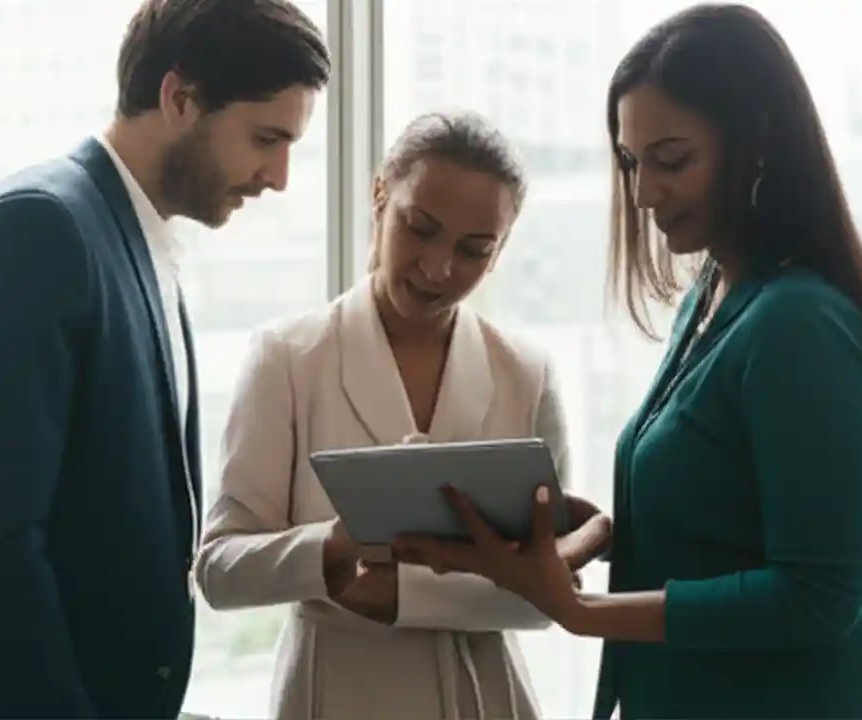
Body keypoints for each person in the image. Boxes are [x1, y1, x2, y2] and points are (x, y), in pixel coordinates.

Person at [394, 5, 862, 719]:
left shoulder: (801, 323)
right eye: (631, 164)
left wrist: (579, 609)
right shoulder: (712, 296)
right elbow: (722, 530)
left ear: (758, 139)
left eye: (672, 161)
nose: (643, 195)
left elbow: (818, 595)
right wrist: (584, 530)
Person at [0, 1, 328, 716]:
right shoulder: (36, 231)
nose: (278, 176)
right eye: (265, 138)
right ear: (179, 98)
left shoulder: (135, 243)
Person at [193, 110, 612, 720]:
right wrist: (335, 546)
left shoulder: (527, 372)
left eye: (474, 250)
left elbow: (548, 594)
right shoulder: (287, 357)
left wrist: (395, 595)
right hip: (333, 694)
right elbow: (221, 571)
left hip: (484, 697)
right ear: (380, 195)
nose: (438, 268)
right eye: (421, 229)